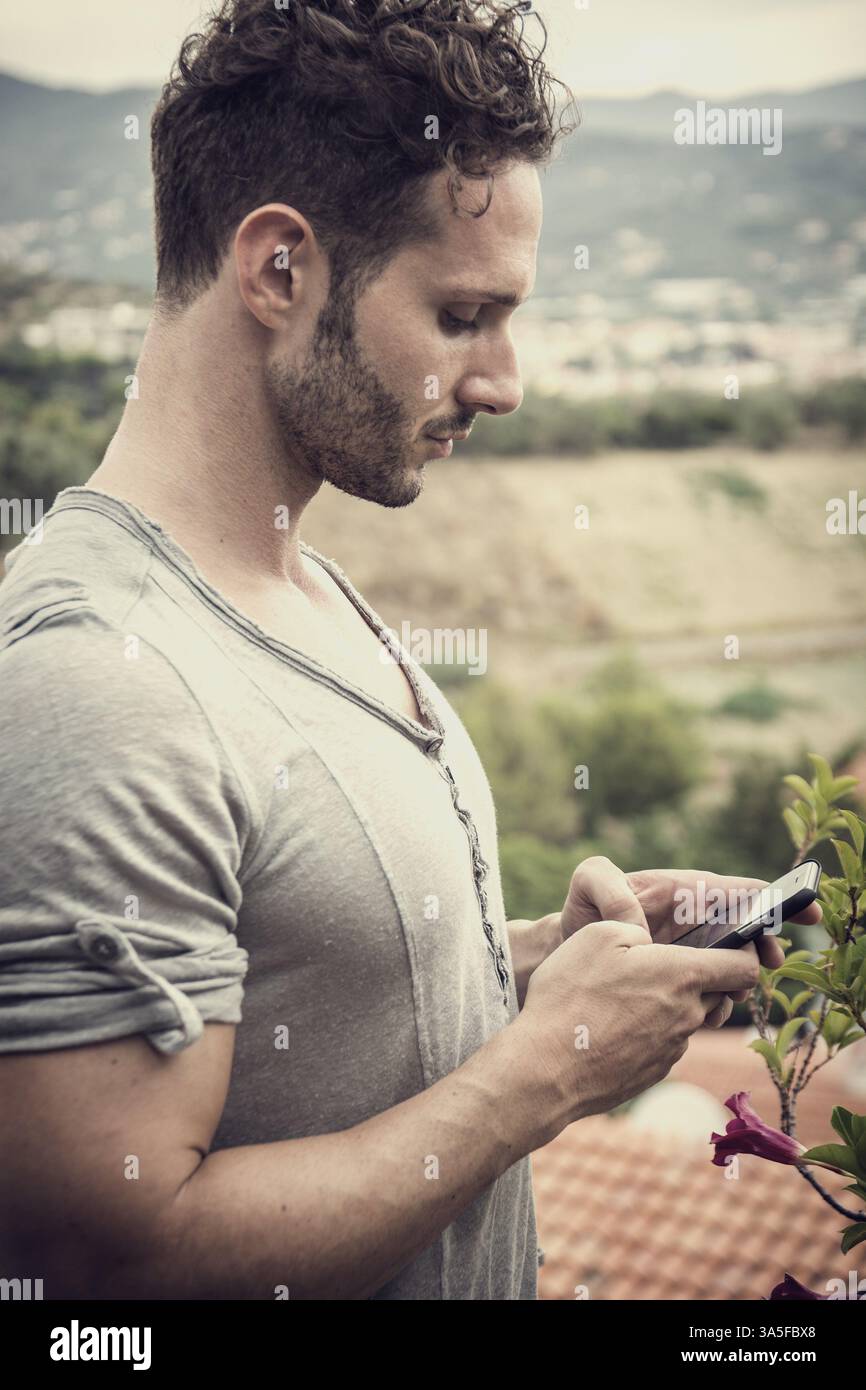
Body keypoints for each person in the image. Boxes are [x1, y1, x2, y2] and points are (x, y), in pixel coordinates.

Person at [0, 0, 817, 1301]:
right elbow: (117, 1258)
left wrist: (535, 965)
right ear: (280, 270)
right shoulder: (97, 675)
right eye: (460, 316)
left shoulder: (307, 590)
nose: (502, 380)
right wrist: (546, 1070)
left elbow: (283, 995)